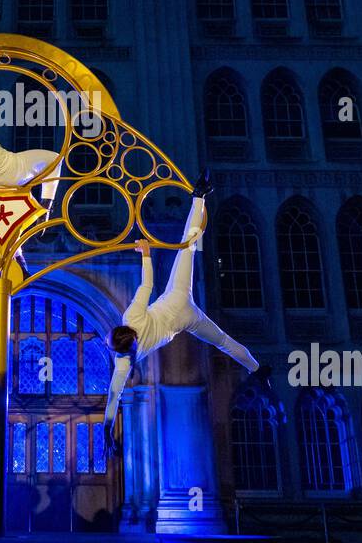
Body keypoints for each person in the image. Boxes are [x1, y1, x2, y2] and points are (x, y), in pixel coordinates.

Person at [102, 173, 260, 454]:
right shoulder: (131, 319)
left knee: (222, 341)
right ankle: (199, 196)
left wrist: (107, 430)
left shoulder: (127, 361)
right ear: (119, 335)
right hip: (176, 298)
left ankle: (256, 368)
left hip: (185, 319)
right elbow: (147, 284)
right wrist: (146, 253)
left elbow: (114, 396)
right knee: (187, 246)